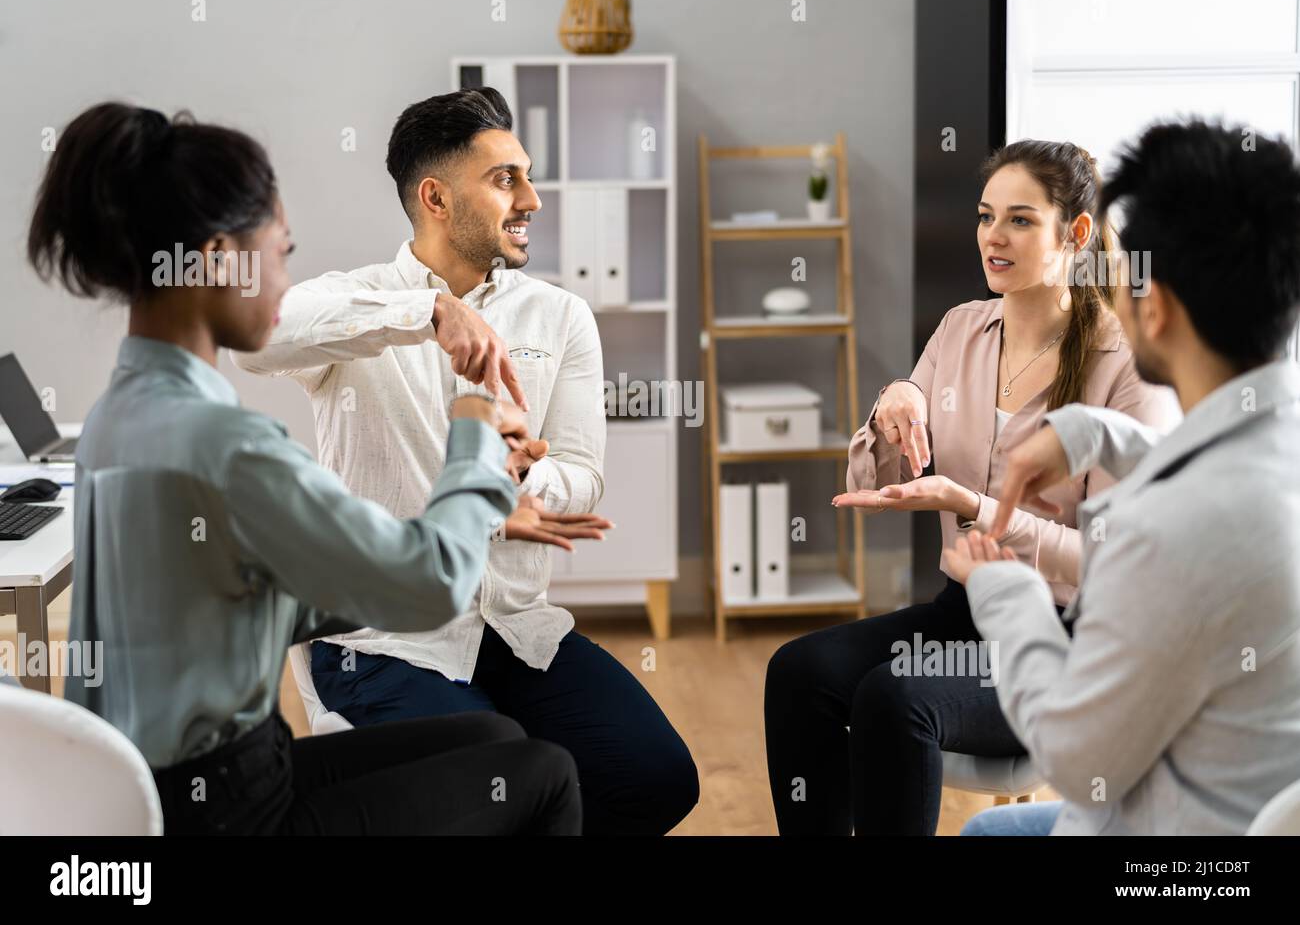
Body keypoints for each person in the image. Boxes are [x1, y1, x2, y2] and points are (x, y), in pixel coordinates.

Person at [31, 101, 585, 835]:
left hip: (160, 788)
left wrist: (455, 521)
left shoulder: (117, 413)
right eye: (283, 254)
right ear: (222, 258)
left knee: (493, 741)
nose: (286, 283)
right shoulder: (228, 445)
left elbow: (254, 593)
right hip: (239, 812)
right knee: (546, 775)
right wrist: (476, 441)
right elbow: (432, 586)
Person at [233, 88, 698, 836]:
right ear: (436, 197)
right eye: (506, 179)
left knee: (657, 776)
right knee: (502, 777)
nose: (533, 200)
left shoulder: (560, 316)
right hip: (384, 643)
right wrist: (425, 315)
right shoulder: (357, 301)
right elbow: (261, 336)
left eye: (529, 176)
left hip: (514, 628)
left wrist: (521, 473)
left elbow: (581, 476)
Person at [764, 139, 1181, 835]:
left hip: (1075, 644)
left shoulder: (1125, 366)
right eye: (987, 216)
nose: (994, 236)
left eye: (1020, 219)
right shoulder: (960, 329)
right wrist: (892, 406)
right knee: (799, 672)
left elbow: (1116, 564)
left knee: (896, 699)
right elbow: (876, 477)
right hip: (965, 615)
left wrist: (974, 508)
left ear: (1074, 233)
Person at [954, 119, 1300, 835]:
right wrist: (1089, 433)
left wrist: (1005, 590)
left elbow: (1079, 761)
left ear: (1157, 308)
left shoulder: (1164, 535)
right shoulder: (1275, 446)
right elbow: (1223, 472)